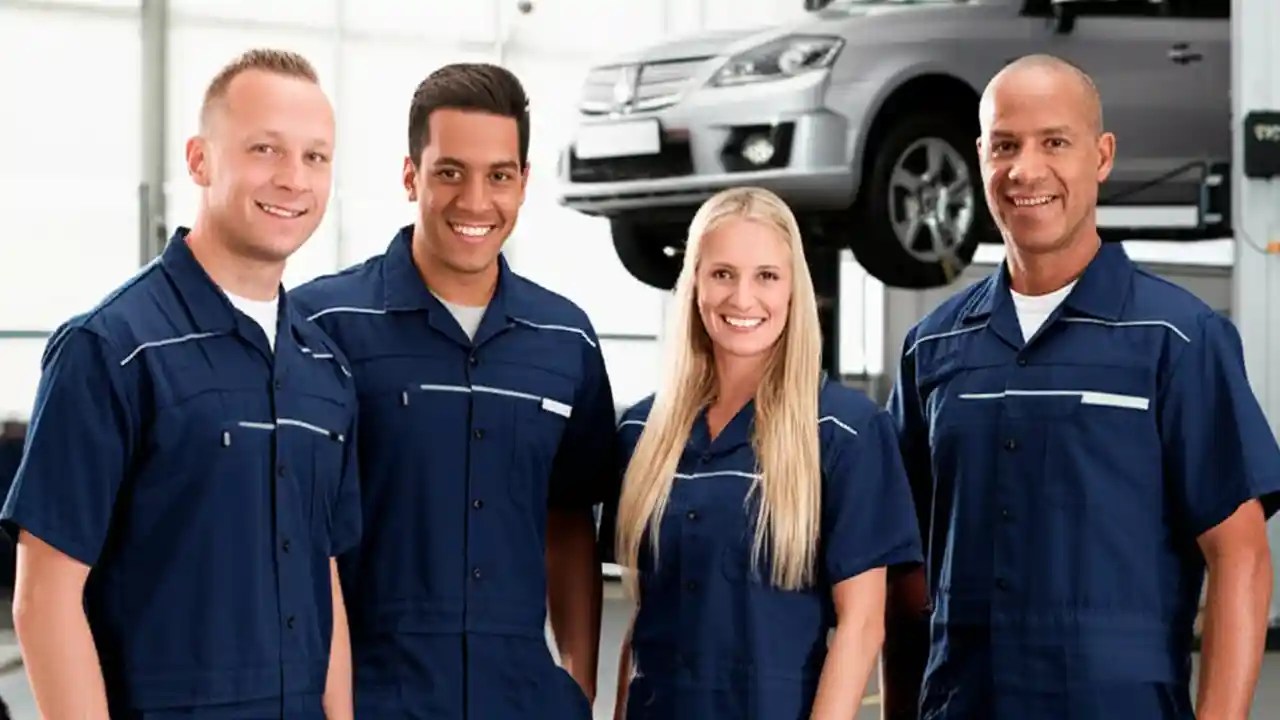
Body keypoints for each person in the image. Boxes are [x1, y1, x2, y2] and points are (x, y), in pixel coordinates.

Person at [881, 54, 1280, 720]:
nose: (1025, 170)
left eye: (1054, 142)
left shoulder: (1178, 338)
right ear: (980, 157)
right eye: (1005, 145)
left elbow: (1241, 560)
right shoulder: (933, 347)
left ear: (1101, 156)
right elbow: (905, 574)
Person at [0, 49, 360, 719]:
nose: (293, 179)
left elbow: (325, 576)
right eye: (264, 149)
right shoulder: (111, 349)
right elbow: (44, 599)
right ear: (199, 159)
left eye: (316, 157)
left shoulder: (326, 370)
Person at [289, 62, 617, 719]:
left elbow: (569, 521)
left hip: (520, 700)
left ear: (524, 182)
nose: (475, 201)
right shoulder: (320, 327)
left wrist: (577, 689)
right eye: (449, 172)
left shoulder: (565, 340)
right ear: (411, 175)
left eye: (498, 175)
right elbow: (290, 534)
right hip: (368, 699)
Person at [607, 186, 924, 720]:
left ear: (794, 290)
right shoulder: (643, 431)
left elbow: (862, 626)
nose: (742, 298)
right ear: (694, 284)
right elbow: (643, 621)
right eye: (722, 273)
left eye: (766, 276)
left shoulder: (845, 431)